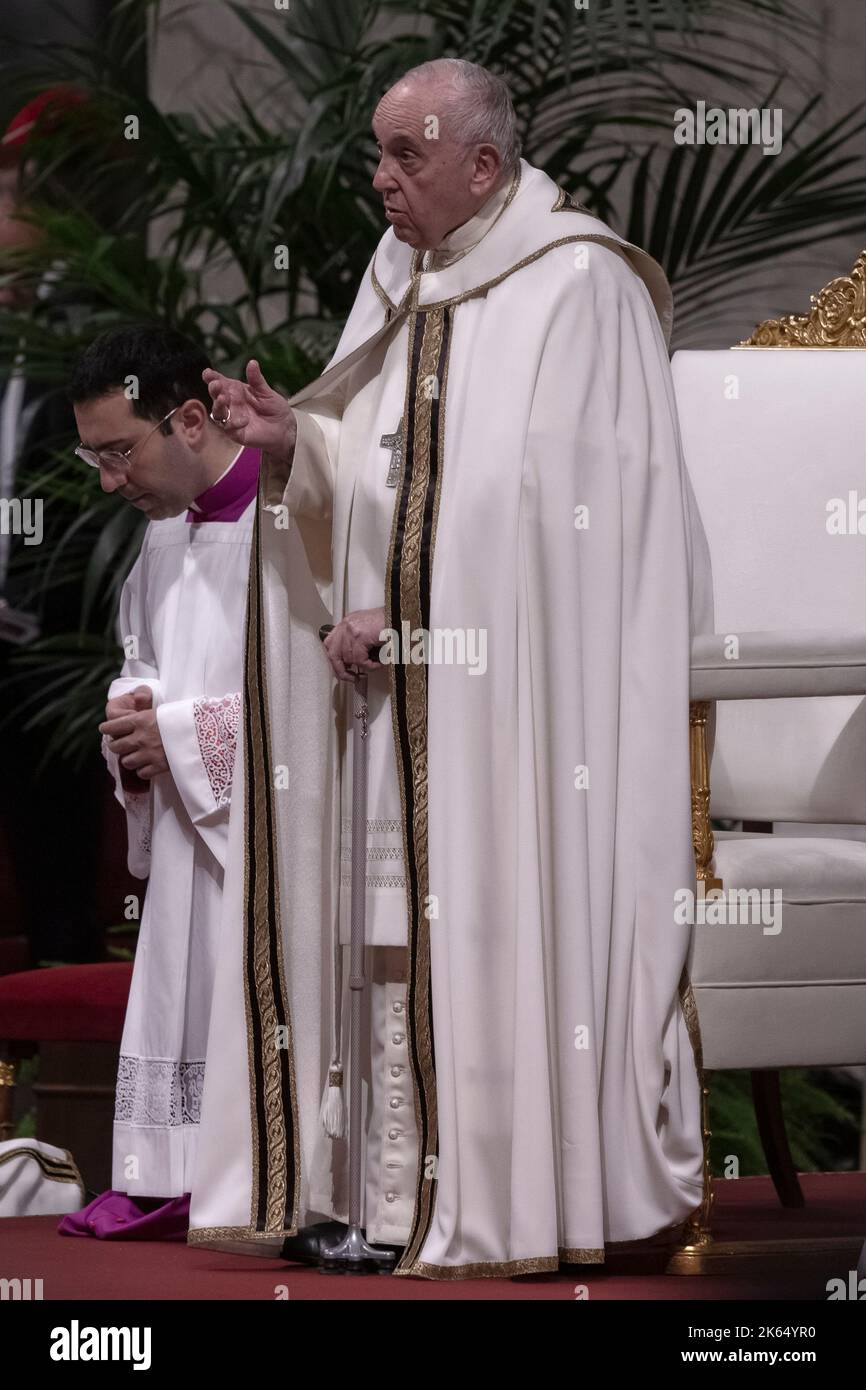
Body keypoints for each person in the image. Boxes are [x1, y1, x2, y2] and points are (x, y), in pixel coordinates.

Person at [188, 57, 714, 1279]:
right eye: (377, 153)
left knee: (463, 926)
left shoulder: (580, 282)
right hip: (391, 690)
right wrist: (299, 450)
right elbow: (377, 466)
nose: (379, 179)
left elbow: (566, 518)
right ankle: (378, 1204)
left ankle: (488, 1201)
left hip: (509, 708)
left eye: (404, 155)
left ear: (483, 165)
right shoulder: (398, 278)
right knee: (381, 942)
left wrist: (414, 609)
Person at [59, 326, 260, 1235]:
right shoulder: (160, 540)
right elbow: (141, 660)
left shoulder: (291, 520)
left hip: (259, 842)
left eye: (118, 452)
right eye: (92, 456)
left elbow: (313, 703)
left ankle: (247, 1165)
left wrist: (173, 733)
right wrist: (133, 730)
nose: (109, 481)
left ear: (187, 418)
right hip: (188, 827)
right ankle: (171, 1165)